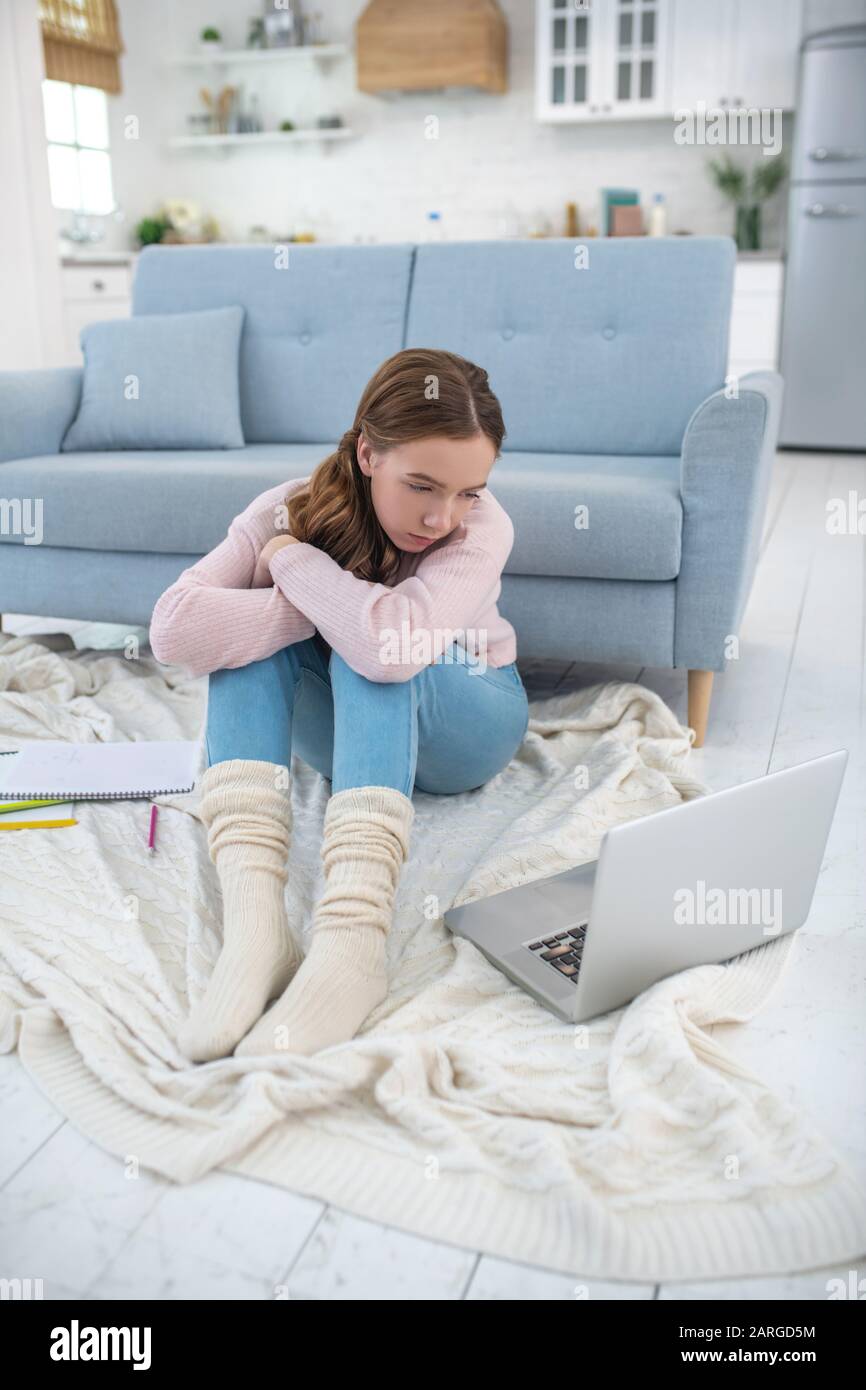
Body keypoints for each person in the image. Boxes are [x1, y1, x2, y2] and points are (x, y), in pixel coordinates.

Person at [149, 348, 529, 1063]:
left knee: (380, 647)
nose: (442, 517)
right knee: (254, 638)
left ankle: (352, 943)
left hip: (470, 721)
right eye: (421, 484)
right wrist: (312, 605)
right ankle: (258, 928)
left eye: (469, 491)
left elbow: (390, 649)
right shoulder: (287, 507)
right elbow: (173, 629)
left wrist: (293, 566)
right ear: (366, 452)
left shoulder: (482, 529)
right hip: (343, 735)